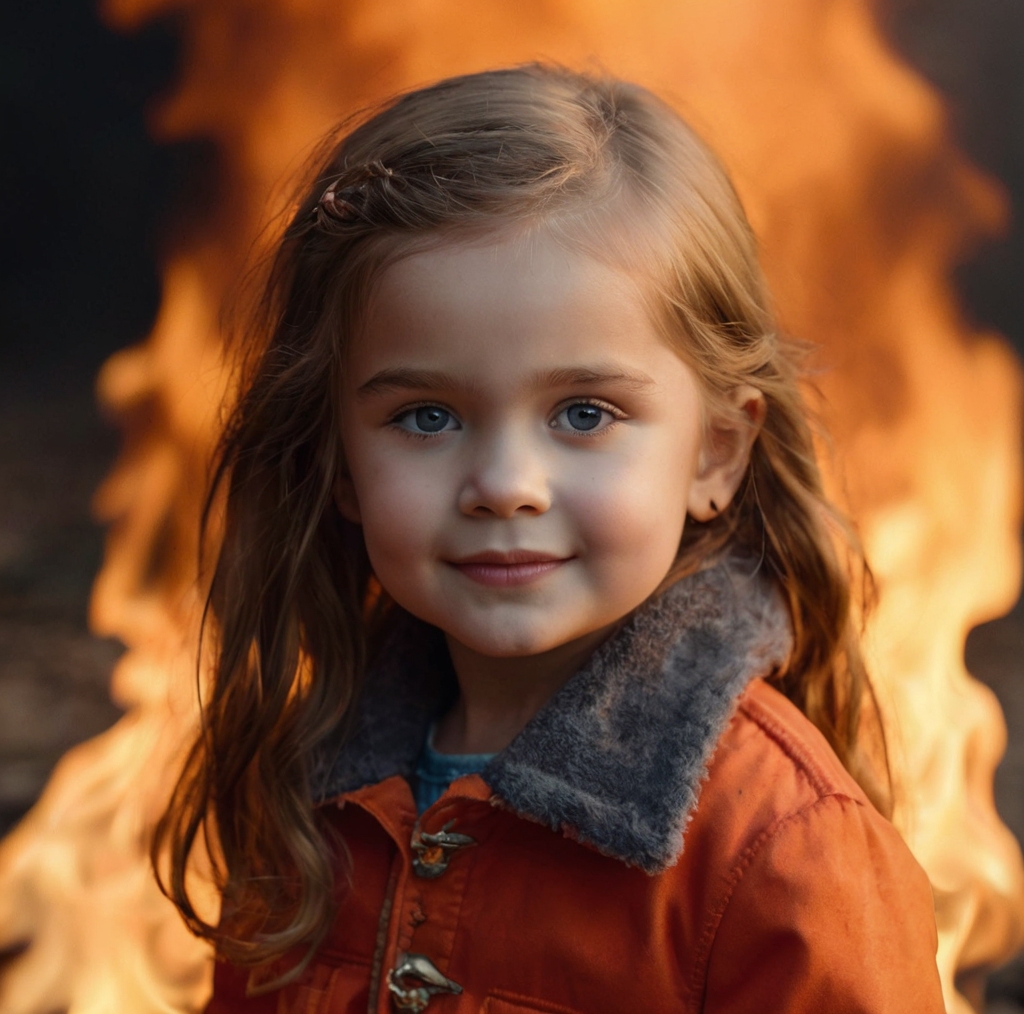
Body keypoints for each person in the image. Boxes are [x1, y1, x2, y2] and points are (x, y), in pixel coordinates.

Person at [154, 65, 947, 1013]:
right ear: (338, 462)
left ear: (715, 454)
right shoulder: (305, 793)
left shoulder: (782, 852)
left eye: (582, 412)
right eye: (426, 417)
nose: (504, 487)